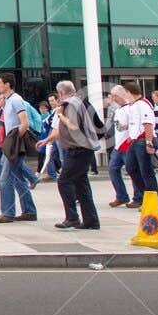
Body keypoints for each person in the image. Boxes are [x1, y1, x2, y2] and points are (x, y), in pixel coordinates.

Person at [50, 80, 102, 230]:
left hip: (78, 149)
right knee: (81, 184)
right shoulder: (80, 102)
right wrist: (48, 139)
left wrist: (60, 116)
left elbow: (73, 126)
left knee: (64, 181)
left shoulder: (70, 105)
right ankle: (91, 220)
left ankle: (72, 217)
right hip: (84, 149)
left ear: (60, 93)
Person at [0, 74, 38, 223]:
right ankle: (29, 211)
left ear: (8, 84)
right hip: (11, 142)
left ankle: (8, 212)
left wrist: (14, 141)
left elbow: (24, 122)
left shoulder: (16, 100)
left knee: (5, 179)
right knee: (19, 179)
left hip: (13, 143)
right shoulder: (9, 100)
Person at [114, 80, 158, 208]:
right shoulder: (134, 105)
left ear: (129, 92)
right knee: (131, 168)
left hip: (142, 140)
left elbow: (148, 124)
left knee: (146, 171)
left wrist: (149, 143)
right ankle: (145, 195)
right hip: (134, 140)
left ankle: (153, 199)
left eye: (125, 93)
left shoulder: (142, 105)